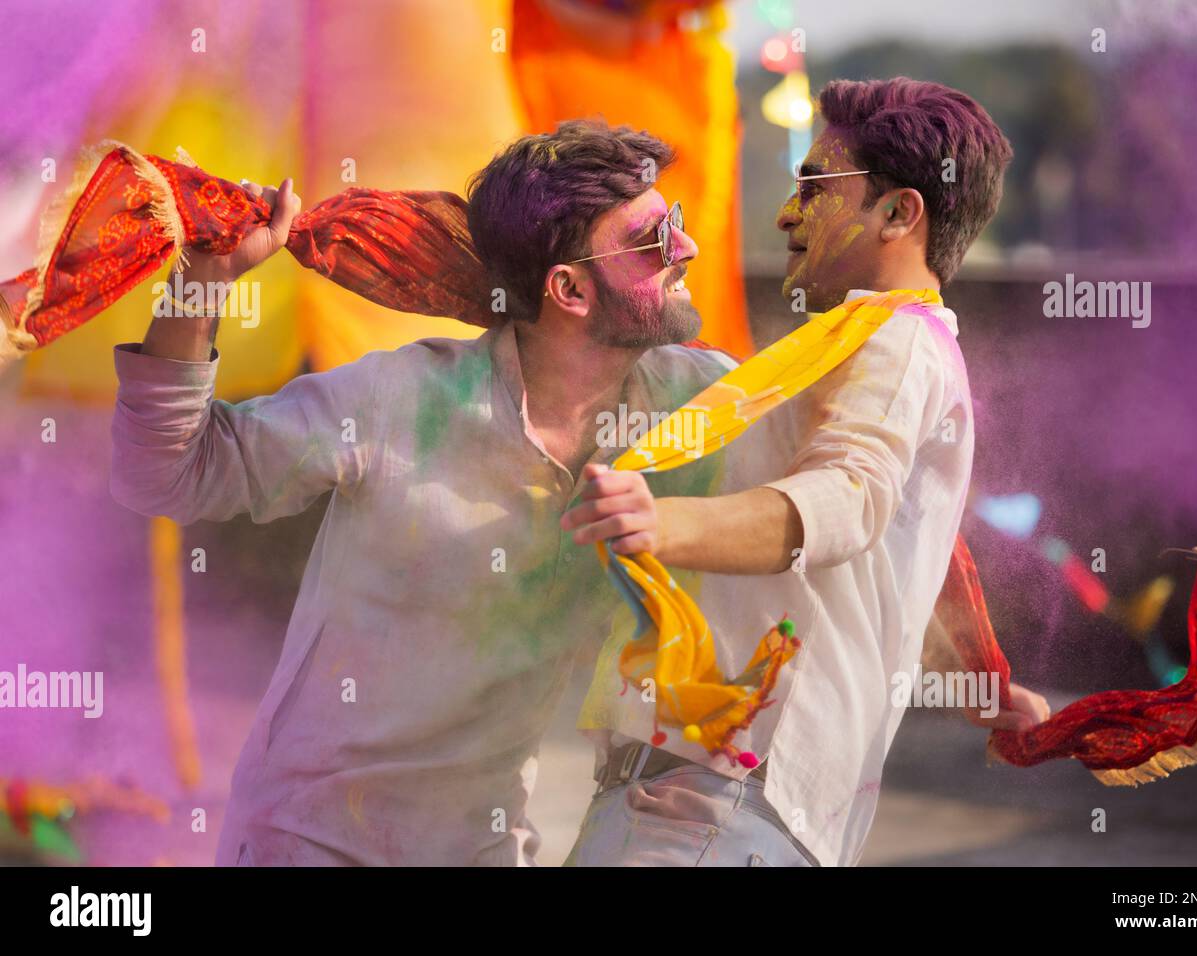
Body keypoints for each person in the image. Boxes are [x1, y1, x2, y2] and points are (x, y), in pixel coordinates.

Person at [109, 119, 733, 865]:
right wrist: (201, 282)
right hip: (309, 840)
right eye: (654, 239)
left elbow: (848, 444)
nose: (687, 249)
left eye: (679, 225)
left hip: (485, 844)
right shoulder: (399, 401)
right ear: (568, 288)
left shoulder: (698, 407)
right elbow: (165, 473)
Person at [563, 77, 1050, 867]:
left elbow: (851, 498)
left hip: (713, 807)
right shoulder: (869, 345)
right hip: (720, 803)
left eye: (815, 189)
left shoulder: (894, 342)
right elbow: (910, 547)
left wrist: (661, 522)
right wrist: (982, 685)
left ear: (899, 214)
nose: (787, 214)